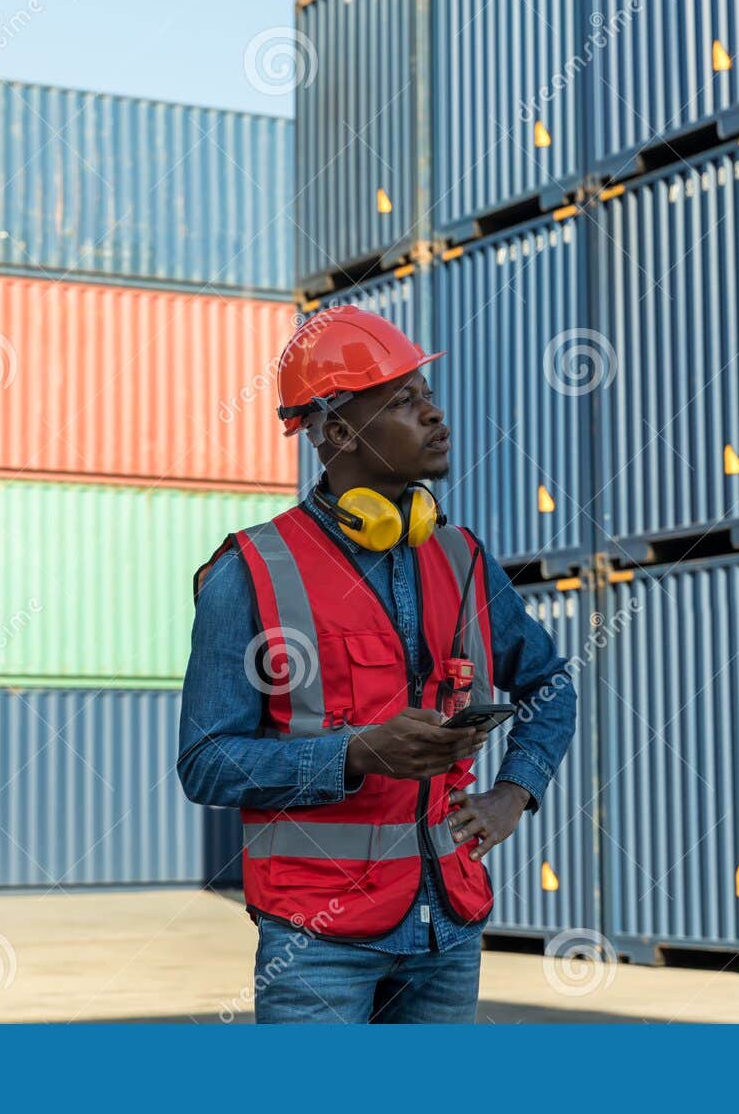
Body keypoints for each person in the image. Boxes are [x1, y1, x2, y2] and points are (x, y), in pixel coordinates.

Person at [178, 305, 577, 1024]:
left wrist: (513, 794)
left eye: (426, 395)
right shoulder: (251, 572)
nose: (434, 414)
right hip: (316, 942)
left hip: (447, 927)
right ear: (338, 433)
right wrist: (355, 752)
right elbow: (205, 762)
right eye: (404, 400)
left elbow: (551, 686)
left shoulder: (464, 562)